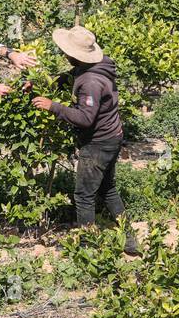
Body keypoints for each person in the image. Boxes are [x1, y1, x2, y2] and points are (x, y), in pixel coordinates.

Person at [31, 25, 140, 256]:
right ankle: (129, 239)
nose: (64, 54)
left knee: (84, 195)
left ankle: (88, 249)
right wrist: (46, 83)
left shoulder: (90, 82)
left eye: (66, 52)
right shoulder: (99, 65)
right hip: (112, 136)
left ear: (76, 55)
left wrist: (54, 106)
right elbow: (71, 75)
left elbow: (85, 118)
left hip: (98, 143)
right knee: (107, 189)